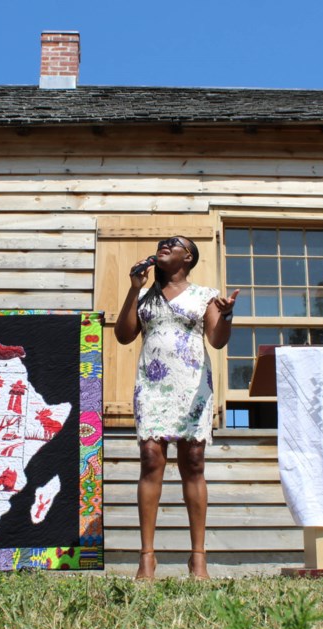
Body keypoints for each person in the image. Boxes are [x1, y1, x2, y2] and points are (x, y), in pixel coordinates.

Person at [114, 236, 239, 579]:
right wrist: (133, 287)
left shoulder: (205, 295)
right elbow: (123, 336)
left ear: (189, 257)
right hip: (152, 385)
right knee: (151, 458)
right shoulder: (144, 295)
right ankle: (147, 557)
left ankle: (198, 557)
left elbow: (216, 340)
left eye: (174, 244)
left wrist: (226, 316)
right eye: (162, 243)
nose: (165, 245)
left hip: (192, 384)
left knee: (193, 462)